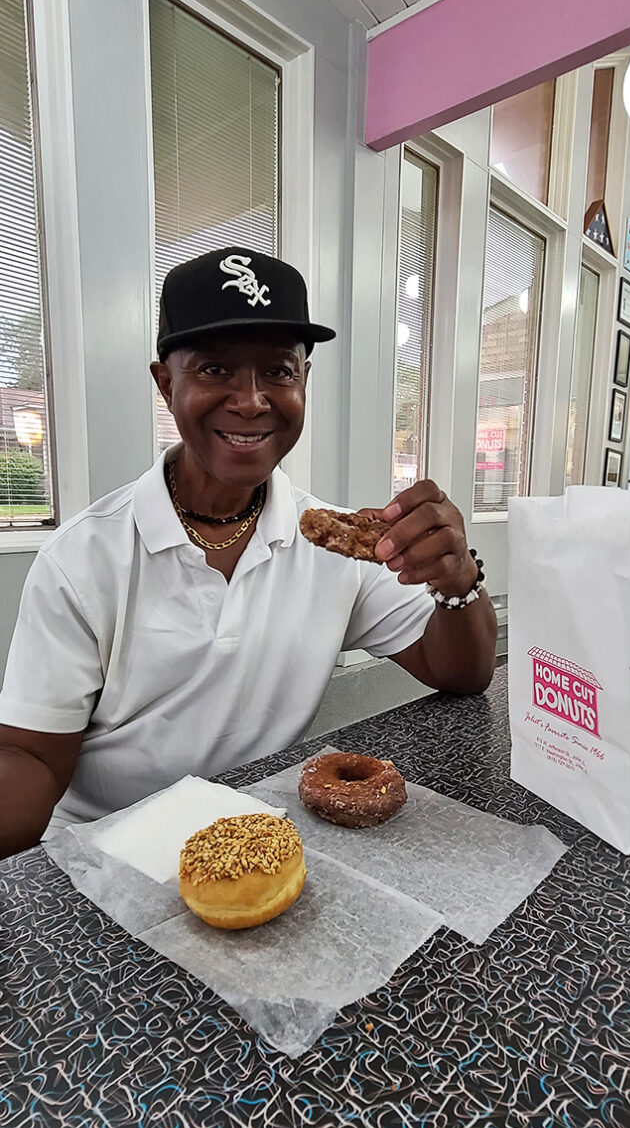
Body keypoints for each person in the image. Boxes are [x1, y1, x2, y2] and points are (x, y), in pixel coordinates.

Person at [0, 247, 496, 856]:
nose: (251, 400)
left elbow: (462, 673)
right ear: (166, 383)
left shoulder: (333, 543)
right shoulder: (83, 558)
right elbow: (30, 755)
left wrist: (456, 579)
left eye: (279, 372)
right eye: (214, 369)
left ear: (304, 382)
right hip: (105, 851)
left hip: (260, 838)